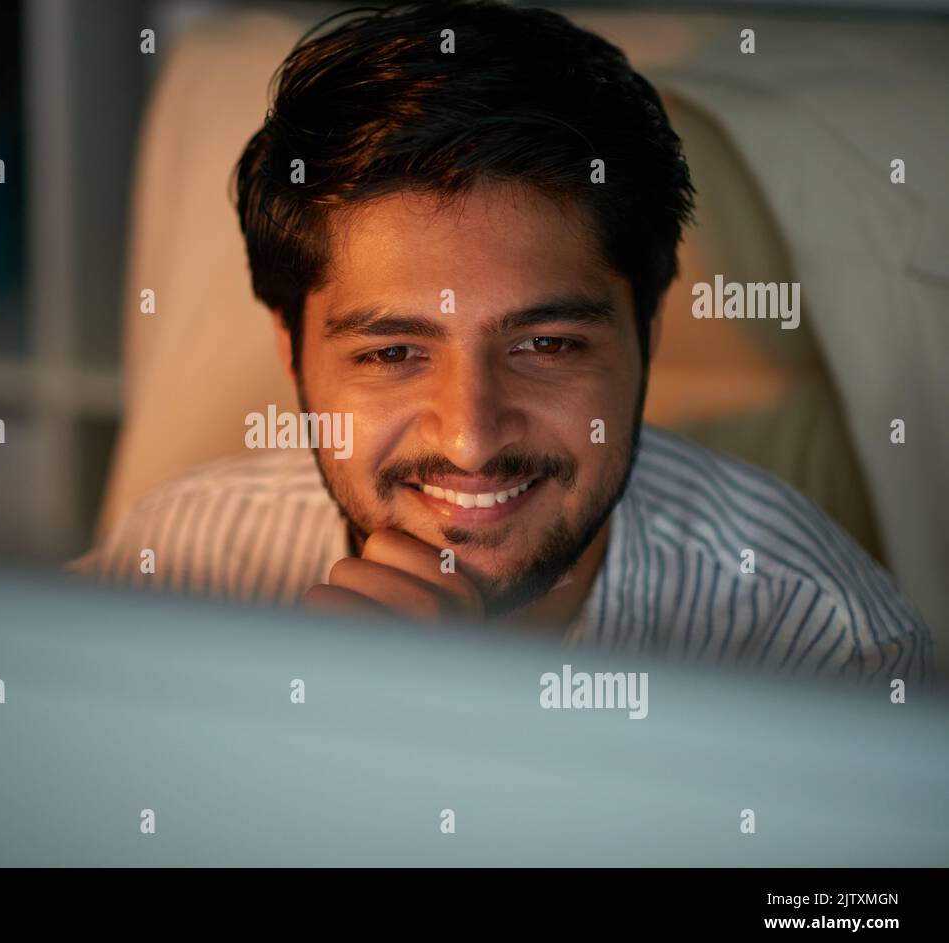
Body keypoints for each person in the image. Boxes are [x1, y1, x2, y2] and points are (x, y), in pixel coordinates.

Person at [71, 1, 931, 682]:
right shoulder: (180, 552)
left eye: (547, 345)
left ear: (648, 331)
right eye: (392, 352)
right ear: (292, 353)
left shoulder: (825, 648)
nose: (472, 438)